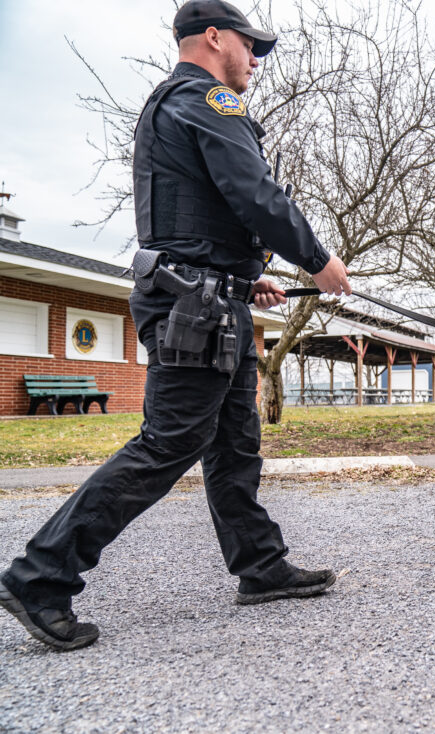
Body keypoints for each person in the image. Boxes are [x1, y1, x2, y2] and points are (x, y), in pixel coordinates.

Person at [0, 0, 353, 651]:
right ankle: (40, 574)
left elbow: (198, 218)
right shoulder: (205, 100)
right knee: (167, 446)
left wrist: (248, 279)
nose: (256, 60)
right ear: (213, 37)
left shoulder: (177, 106)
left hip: (216, 301)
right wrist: (316, 257)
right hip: (196, 308)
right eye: (252, 46)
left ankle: (260, 565)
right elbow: (254, 193)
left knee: (234, 443)